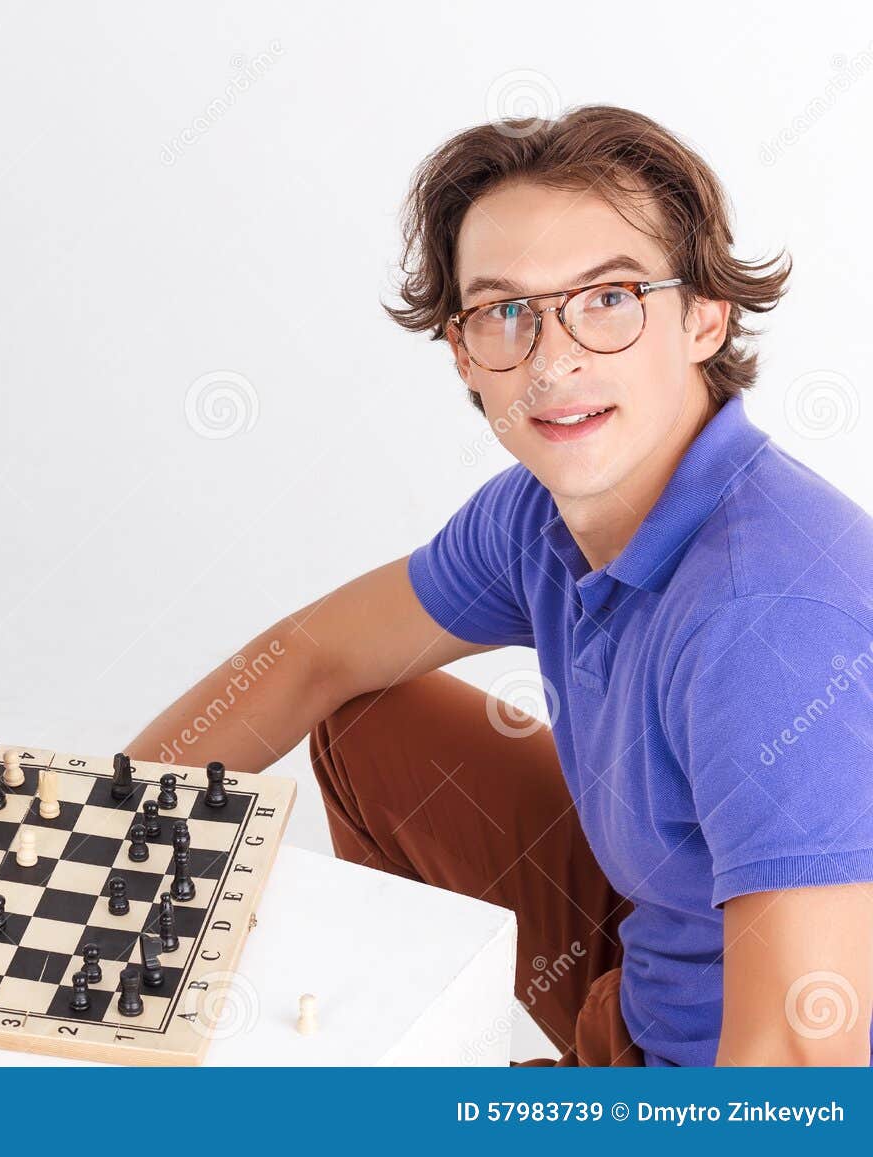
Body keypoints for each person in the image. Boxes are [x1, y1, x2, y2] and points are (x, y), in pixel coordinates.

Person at [130, 105, 873, 1066]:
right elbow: (314, 655)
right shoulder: (536, 517)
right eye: (505, 311)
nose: (553, 359)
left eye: (608, 297)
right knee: (373, 724)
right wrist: (87, 832)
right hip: (661, 957)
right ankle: (439, 1043)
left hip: (745, 1077)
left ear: (704, 316)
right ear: (464, 353)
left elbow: (802, 1088)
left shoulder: (768, 621)